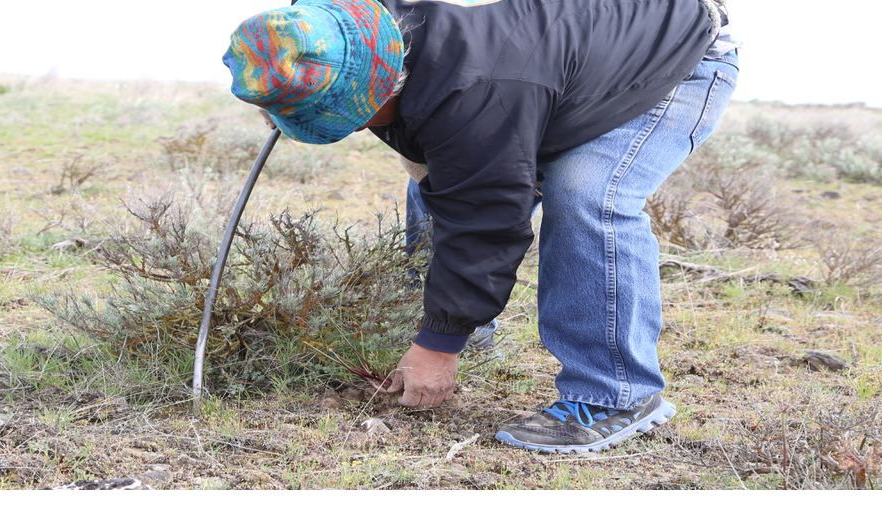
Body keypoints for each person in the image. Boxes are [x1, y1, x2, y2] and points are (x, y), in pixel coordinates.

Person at [223, 0, 739, 453]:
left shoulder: (478, 90)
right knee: (441, 177)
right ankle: (464, 336)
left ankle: (615, 396)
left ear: (384, 80)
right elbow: (454, 172)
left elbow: (486, 220)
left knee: (585, 194)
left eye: (352, 117)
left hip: (673, 59)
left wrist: (438, 344)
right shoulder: (329, 24)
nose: (356, 128)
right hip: (553, 65)